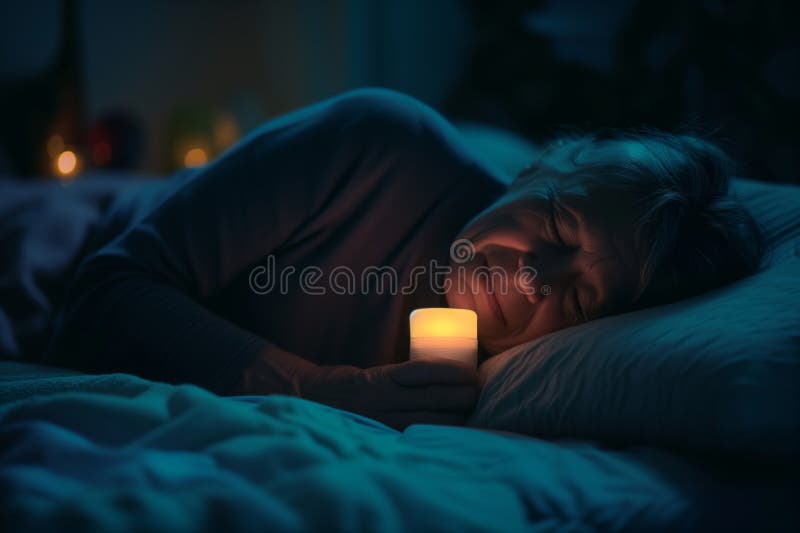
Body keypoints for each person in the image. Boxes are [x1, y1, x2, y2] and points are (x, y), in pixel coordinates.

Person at [46, 89, 764, 429]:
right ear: (537, 169)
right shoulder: (377, 143)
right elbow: (104, 290)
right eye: (554, 221)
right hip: (77, 229)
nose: (527, 278)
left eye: (575, 298)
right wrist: (316, 388)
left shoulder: (532, 374)